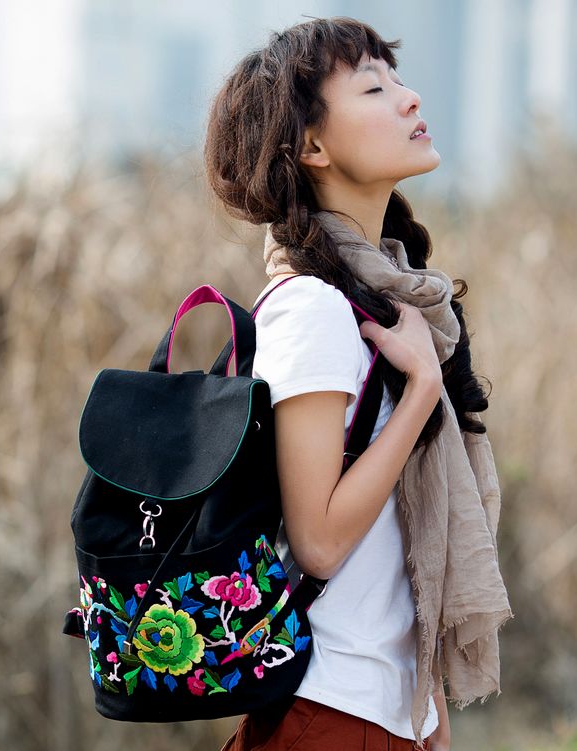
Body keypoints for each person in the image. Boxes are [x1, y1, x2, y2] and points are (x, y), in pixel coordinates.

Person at [203, 15, 498, 751]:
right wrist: (421, 394)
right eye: (374, 85)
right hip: (325, 713)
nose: (408, 97)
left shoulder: (386, 297)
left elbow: (398, 554)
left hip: (389, 712)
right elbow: (321, 542)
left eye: (397, 78)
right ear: (311, 145)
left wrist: (429, 715)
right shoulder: (312, 307)